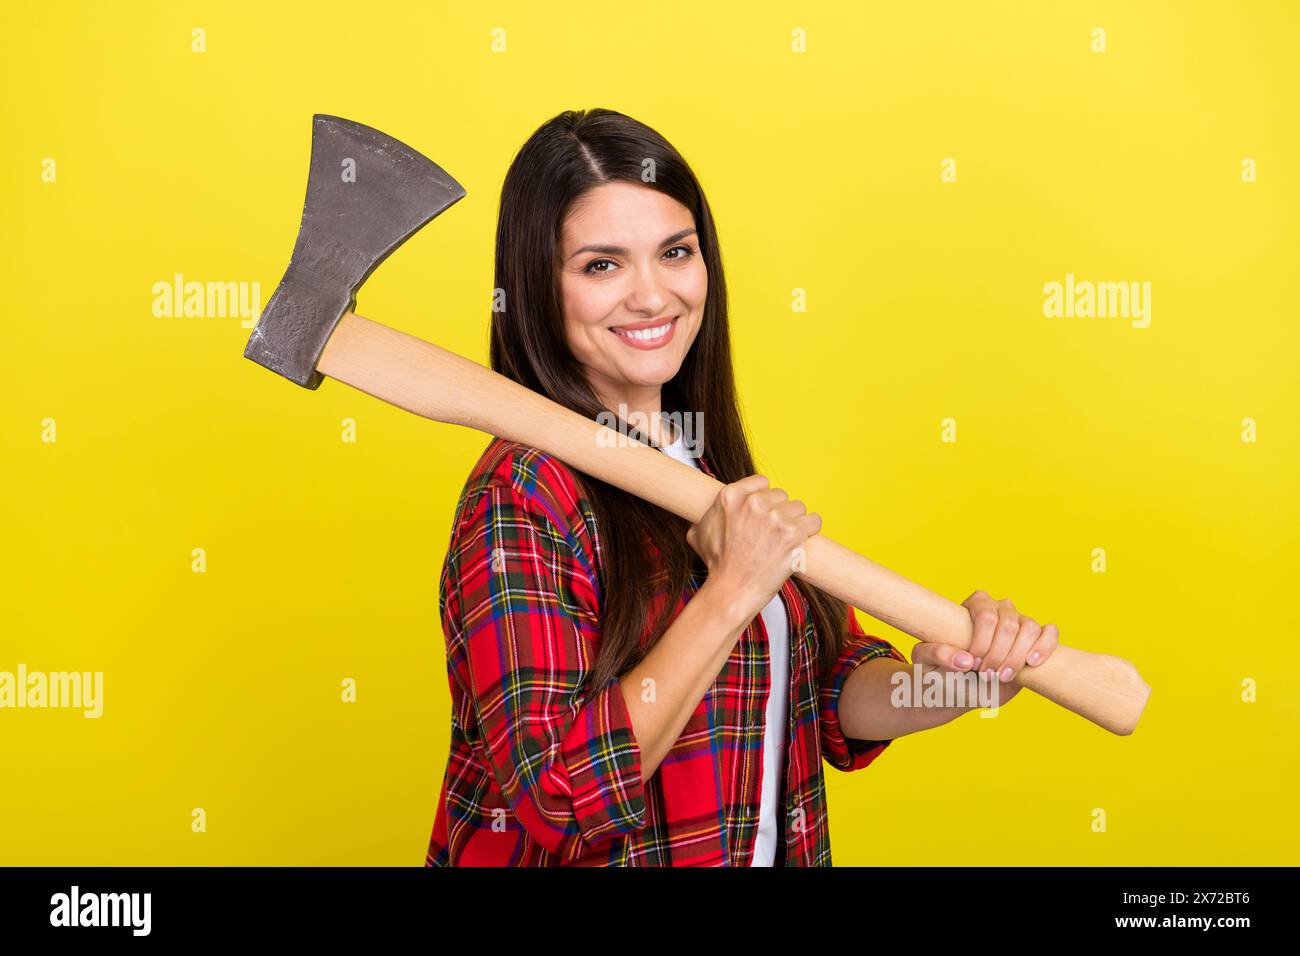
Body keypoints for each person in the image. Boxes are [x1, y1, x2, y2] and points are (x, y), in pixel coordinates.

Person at [425, 108, 1059, 866]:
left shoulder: (703, 465)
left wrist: (954, 688)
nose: (652, 296)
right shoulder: (524, 496)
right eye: (602, 265)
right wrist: (728, 592)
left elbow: (826, 694)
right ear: (538, 287)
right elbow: (558, 798)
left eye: (675, 252)